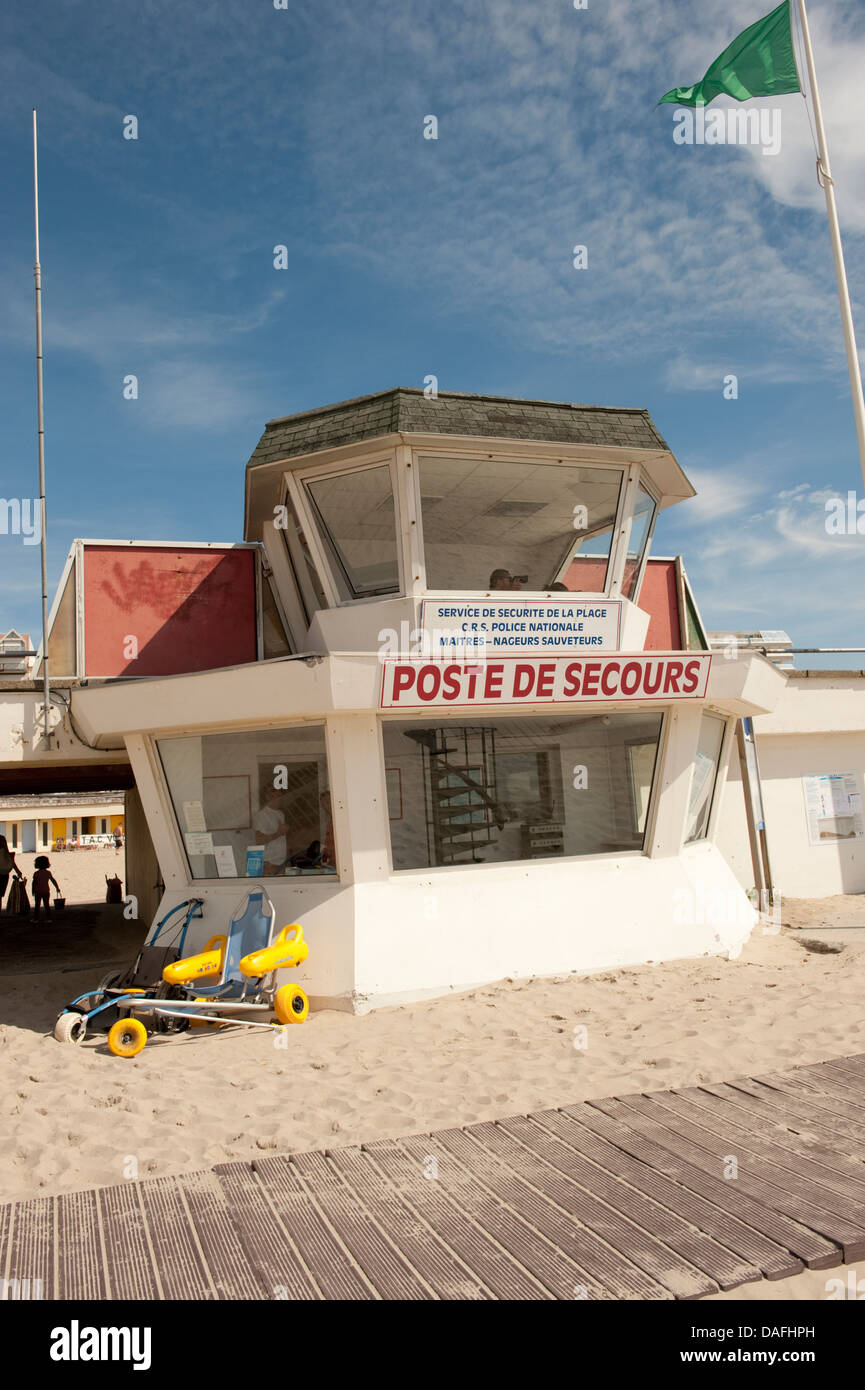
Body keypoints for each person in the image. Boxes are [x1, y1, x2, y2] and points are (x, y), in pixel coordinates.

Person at [252, 786, 290, 876]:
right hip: (268, 864)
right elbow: (259, 840)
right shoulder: (261, 815)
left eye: (280, 795)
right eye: (274, 795)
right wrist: (279, 833)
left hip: (280, 863)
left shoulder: (281, 814)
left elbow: (280, 840)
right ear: (267, 796)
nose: (278, 798)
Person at [31, 855, 60, 922]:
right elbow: (53, 880)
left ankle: (36, 919)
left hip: (38, 891)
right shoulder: (48, 873)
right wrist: (57, 888)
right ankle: (48, 918)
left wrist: (33, 891)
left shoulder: (36, 873)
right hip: (46, 891)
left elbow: (34, 883)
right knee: (46, 905)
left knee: (37, 905)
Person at [0, 834, 23, 908]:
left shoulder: (1, 838)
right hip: (3, 872)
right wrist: (17, 870)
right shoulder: (1, 838)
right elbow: (9, 858)